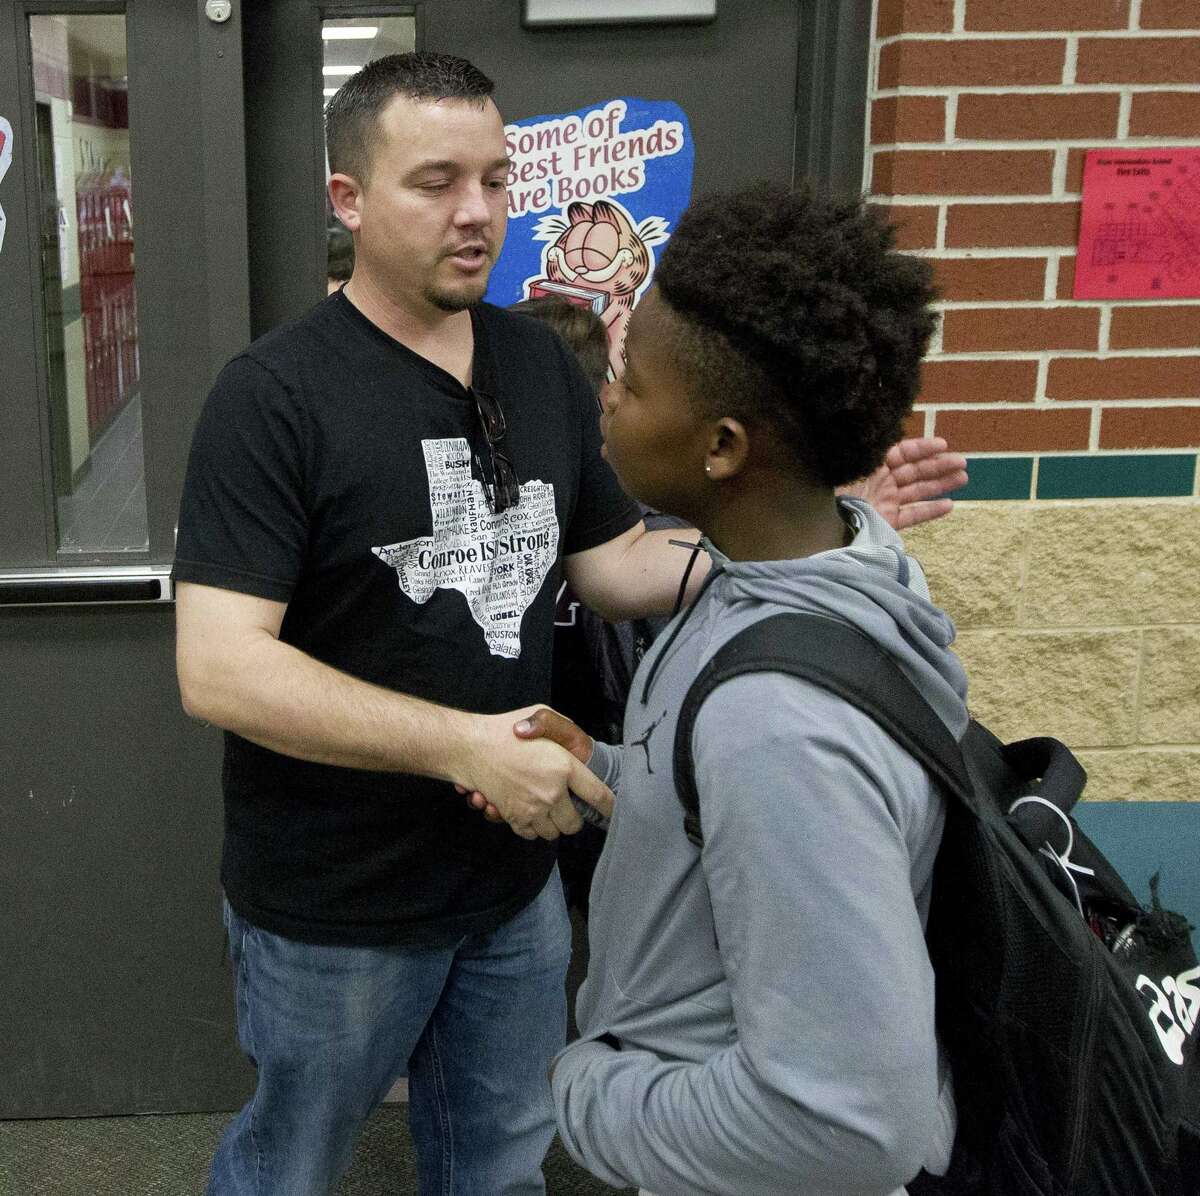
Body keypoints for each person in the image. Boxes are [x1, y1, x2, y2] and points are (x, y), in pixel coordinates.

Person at [174, 51, 966, 1196]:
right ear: (348, 201)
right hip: (334, 906)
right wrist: (458, 742)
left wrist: (802, 527)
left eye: (497, 178)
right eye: (436, 182)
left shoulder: (535, 363)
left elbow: (613, 564)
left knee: (500, 1159)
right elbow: (220, 668)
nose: (479, 213)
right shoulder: (274, 398)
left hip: (514, 889)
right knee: (288, 1162)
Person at [492, 183, 966, 1195]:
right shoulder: (790, 570)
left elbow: (846, 1122)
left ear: (723, 447)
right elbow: (722, 805)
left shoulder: (778, 724)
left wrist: (587, 1088)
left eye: (628, 379)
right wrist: (610, 765)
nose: (604, 396)